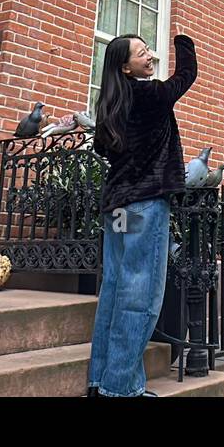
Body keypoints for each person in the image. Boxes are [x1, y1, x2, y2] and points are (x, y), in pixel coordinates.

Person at [86, 32, 197, 397]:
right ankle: (119, 388)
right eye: (141, 53)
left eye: (147, 49)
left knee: (116, 291)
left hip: (117, 207)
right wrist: (183, 40)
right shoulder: (149, 96)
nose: (149, 56)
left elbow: (103, 149)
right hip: (145, 204)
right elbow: (186, 77)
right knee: (141, 295)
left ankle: (102, 381)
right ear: (125, 66)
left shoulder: (110, 104)